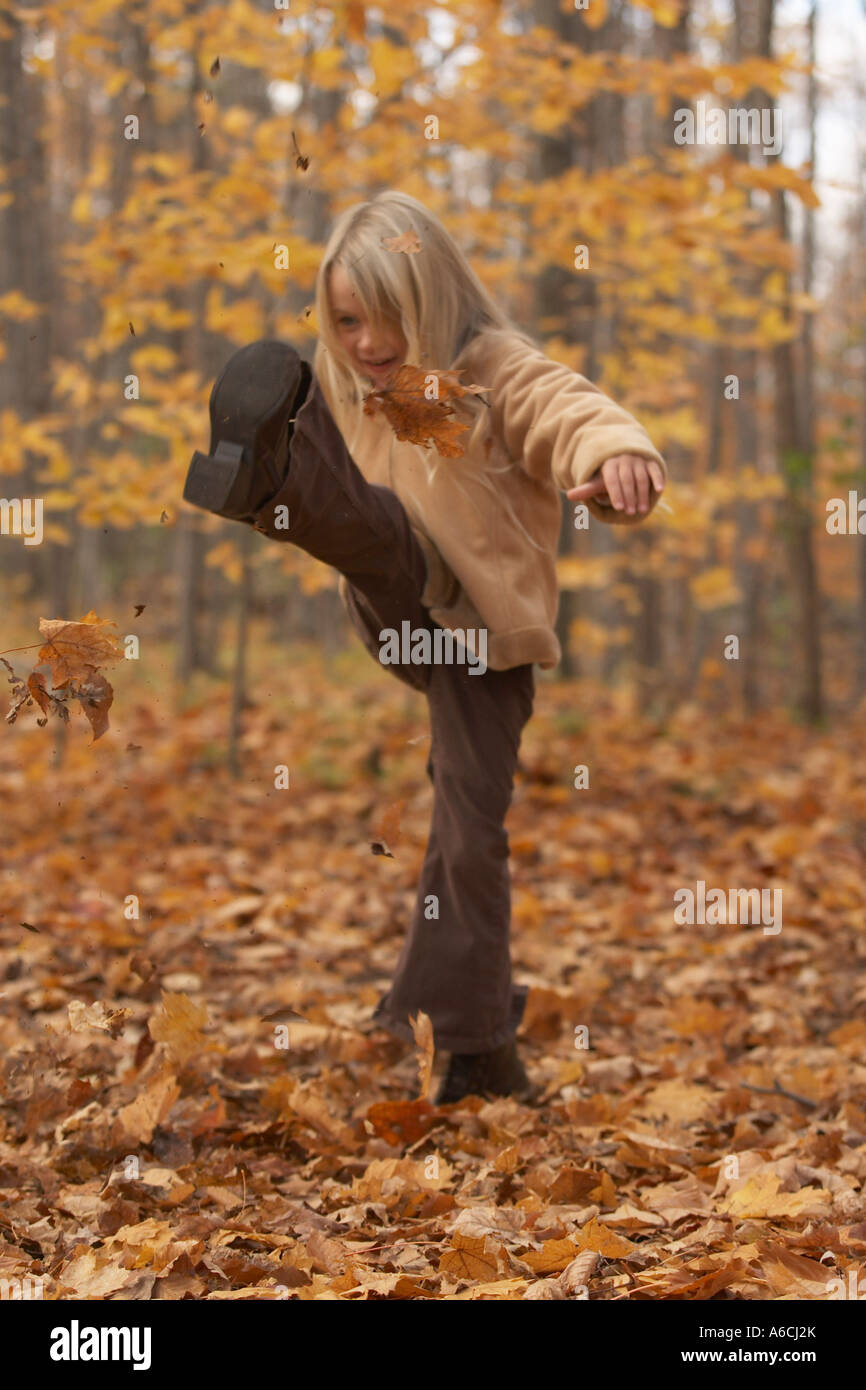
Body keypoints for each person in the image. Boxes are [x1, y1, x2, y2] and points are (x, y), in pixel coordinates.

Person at [247, 190, 667, 1103]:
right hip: (399, 605)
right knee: (371, 515)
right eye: (348, 318)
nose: (366, 341)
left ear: (433, 297)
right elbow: (343, 390)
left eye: (388, 317)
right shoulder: (348, 379)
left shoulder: (490, 366)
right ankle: (264, 466)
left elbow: (564, 404)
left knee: (466, 835)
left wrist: (615, 451)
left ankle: (473, 1043)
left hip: (483, 644)